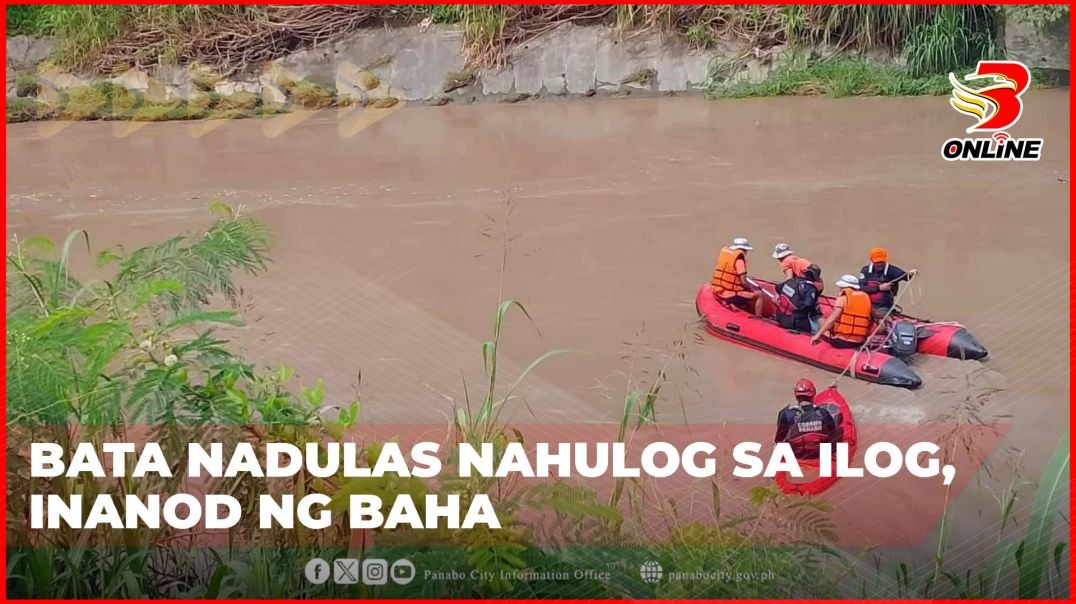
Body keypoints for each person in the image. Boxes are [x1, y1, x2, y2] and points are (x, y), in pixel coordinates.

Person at [774, 379, 839, 460]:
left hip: (796, 454)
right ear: (813, 393)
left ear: (796, 395)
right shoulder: (823, 413)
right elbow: (834, 432)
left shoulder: (786, 413)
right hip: (819, 454)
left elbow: (779, 439)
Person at [811, 274, 873, 349]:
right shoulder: (866, 299)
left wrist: (818, 335)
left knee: (822, 322)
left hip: (841, 341)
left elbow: (832, 319)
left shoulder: (843, 298)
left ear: (843, 287)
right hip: (858, 342)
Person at [859, 247, 918, 321]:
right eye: (877, 262)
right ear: (872, 261)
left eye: (881, 262)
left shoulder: (892, 271)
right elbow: (861, 288)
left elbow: (906, 277)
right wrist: (879, 288)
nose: (880, 264)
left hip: (883, 307)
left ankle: (886, 321)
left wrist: (912, 274)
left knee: (881, 319)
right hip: (866, 305)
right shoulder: (865, 270)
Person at [711, 237, 764, 316]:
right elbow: (744, 282)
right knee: (759, 294)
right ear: (744, 249)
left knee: (747, 293)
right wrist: (751, 289)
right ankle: (759, 318)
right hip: (731, 294)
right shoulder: (739, 261)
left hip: (719, 290)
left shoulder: (726, 257)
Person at [775, 264, 821, 333]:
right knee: (818, 327)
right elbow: (808, 305)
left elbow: (778, 287)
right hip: (795, 322)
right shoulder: (810, 288)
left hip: (780, 317)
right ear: (816, 277)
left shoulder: (792, 280)